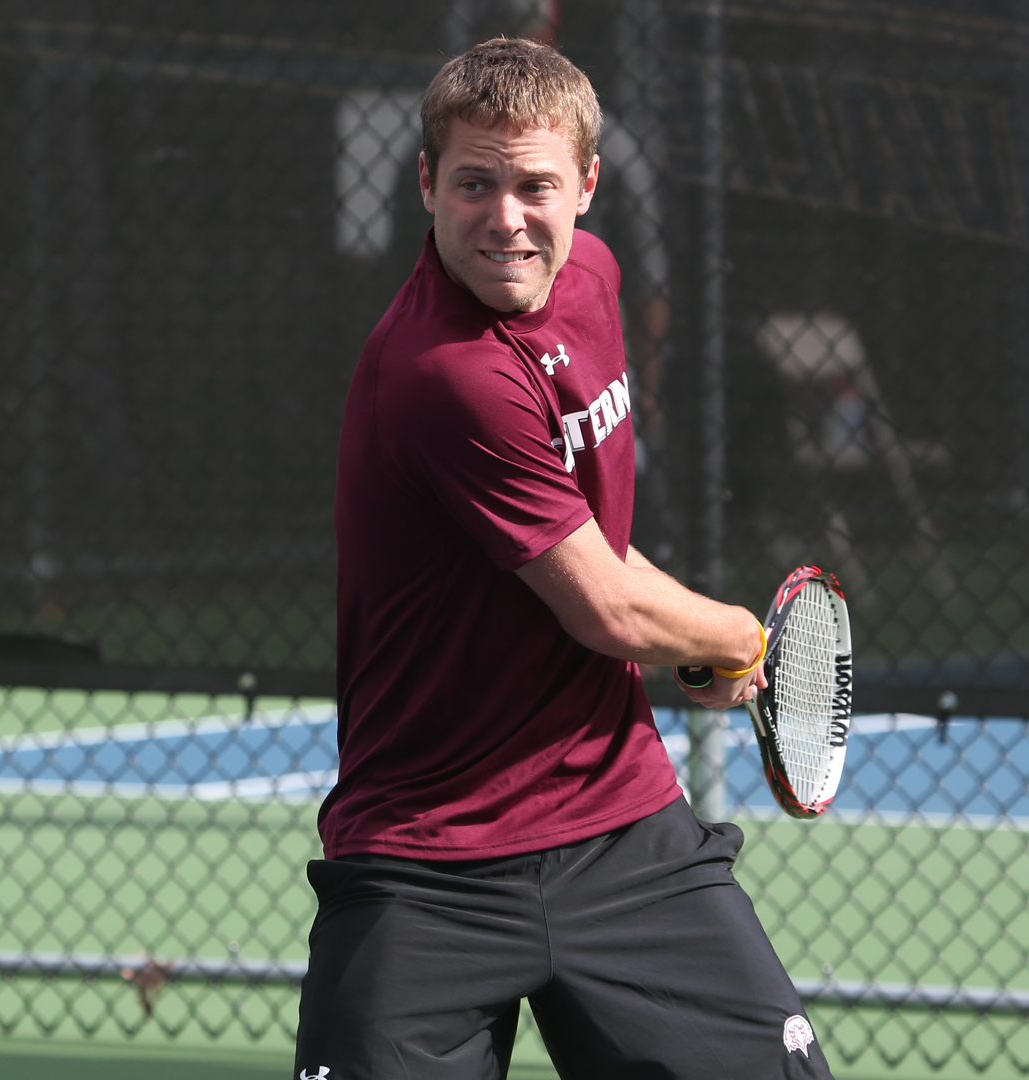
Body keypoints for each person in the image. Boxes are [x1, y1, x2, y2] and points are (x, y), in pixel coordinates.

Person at [294, 38, 835, 1080]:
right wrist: (736, 636)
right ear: (424, 184)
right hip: (429, 859)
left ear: (586, 186)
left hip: (622, 832)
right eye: (474, 184)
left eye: (535, 184)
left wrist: (687, 638)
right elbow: (607, 611)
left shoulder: (593, 279)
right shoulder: (443, 374)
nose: (505, 217)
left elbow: (596, 540)